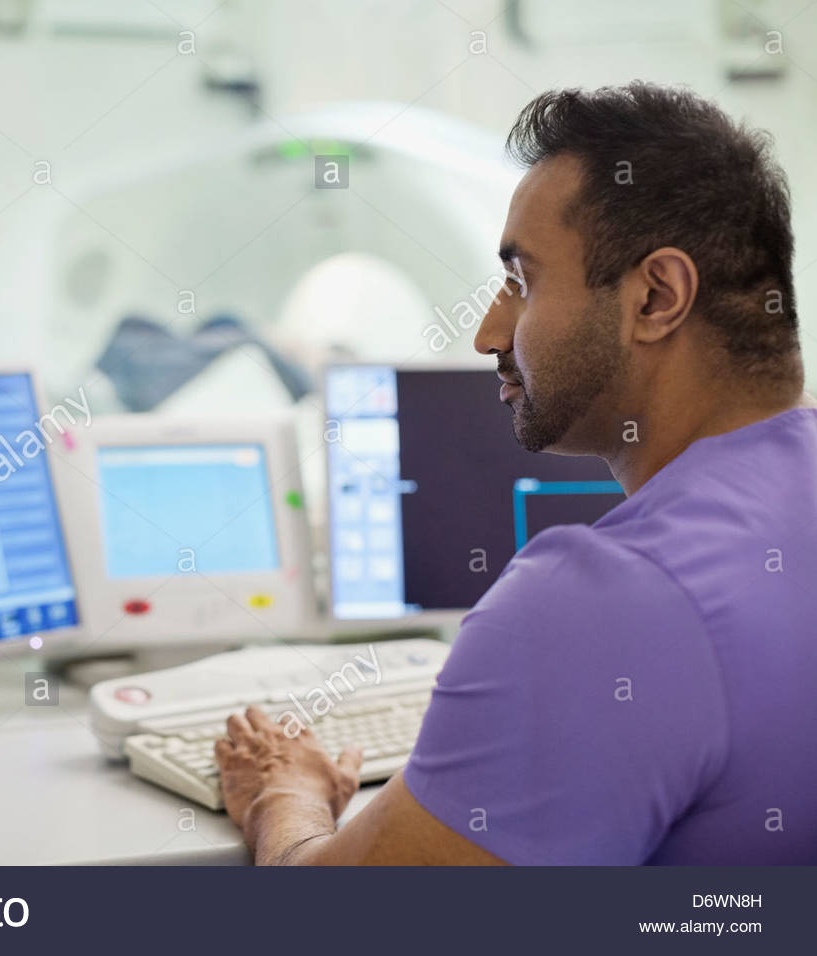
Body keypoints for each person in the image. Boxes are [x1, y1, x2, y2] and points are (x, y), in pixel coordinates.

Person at [215, 81, 817, 865]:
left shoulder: (603, 603)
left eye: (522, 283)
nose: (487, 332)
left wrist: (285, 794)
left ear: (656, 297)